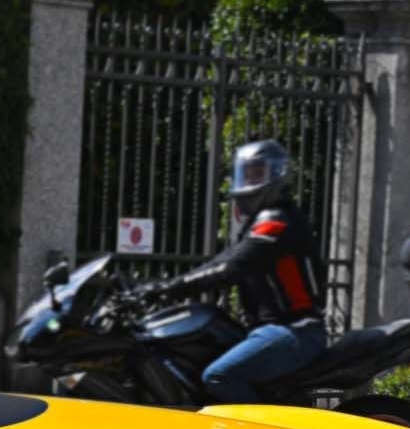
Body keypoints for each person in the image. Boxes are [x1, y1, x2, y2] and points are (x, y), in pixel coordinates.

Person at [131, 139, 326, 405]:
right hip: (275, 329)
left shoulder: (277, 221)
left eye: (257, 174)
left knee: (219, 376)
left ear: (277, 174)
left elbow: (232, 267)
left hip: (295, 331)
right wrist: (161, 285)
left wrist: (166, 289)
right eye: (246, 174)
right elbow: (223, 260)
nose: (249, 182)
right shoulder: (263, 221)